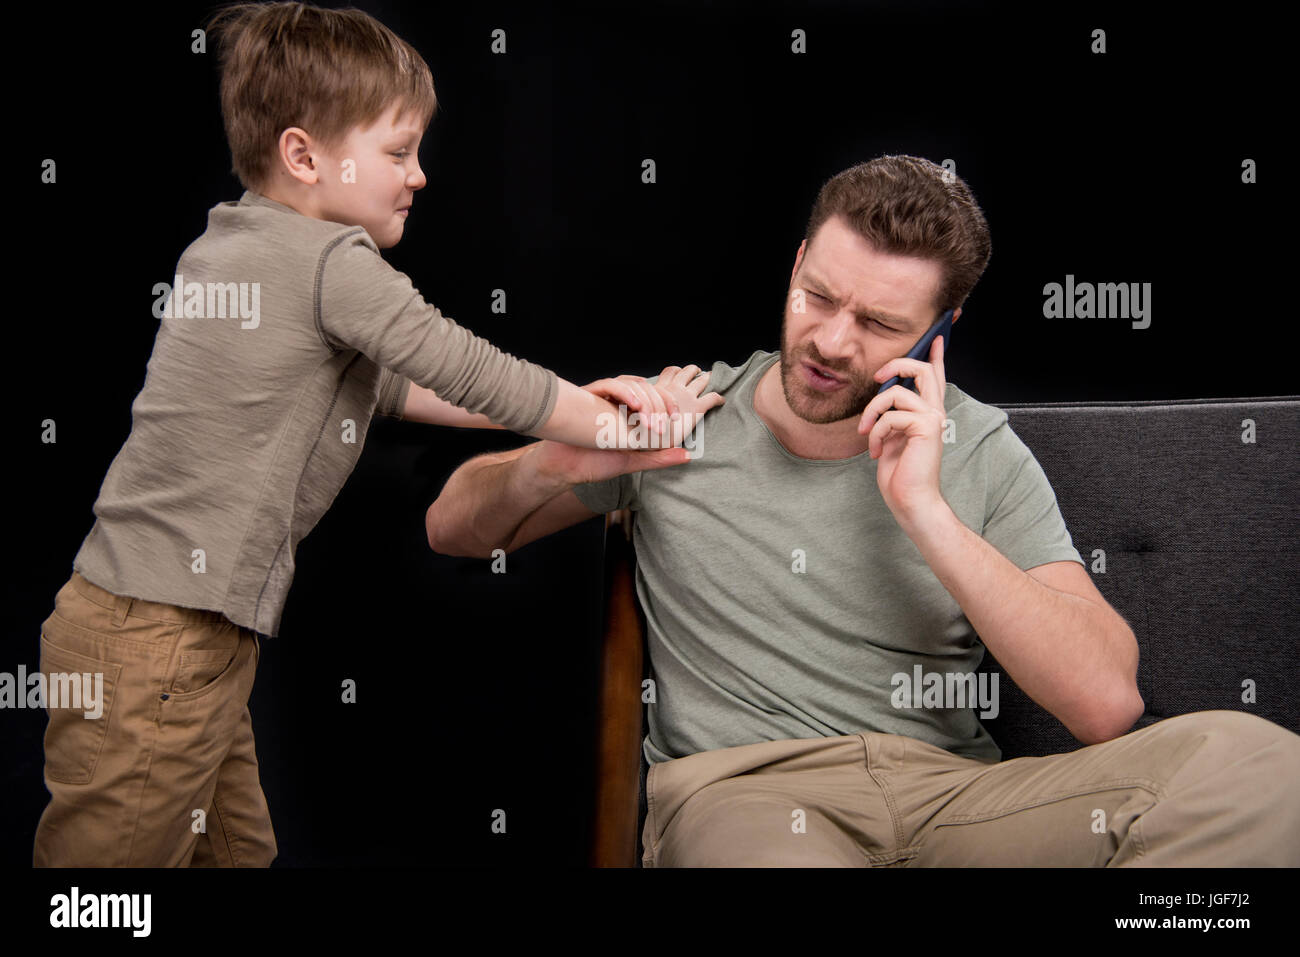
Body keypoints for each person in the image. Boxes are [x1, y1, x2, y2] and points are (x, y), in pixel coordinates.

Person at [426, 154, 1300, 866]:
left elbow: (1106, 705)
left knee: (1260, 770)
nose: (832, 342)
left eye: (880, 323)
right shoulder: (686, 418)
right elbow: (456, 527)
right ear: (798, 262)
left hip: (953, 801)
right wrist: (562, 455)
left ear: (940, 328)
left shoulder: (979, 446)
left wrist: (927, 511)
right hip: (750, 798)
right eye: (819, 298)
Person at [32, 1, 717, 867]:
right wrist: (630, 422)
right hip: (162, 643)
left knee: (233, 856)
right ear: (303, 155)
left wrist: (585, 399)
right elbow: (463, 362)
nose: (420, 174)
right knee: (101, 892)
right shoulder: (329, 263)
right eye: (399, 152)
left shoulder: (233, 241)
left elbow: (396, 381)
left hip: (155, 630)